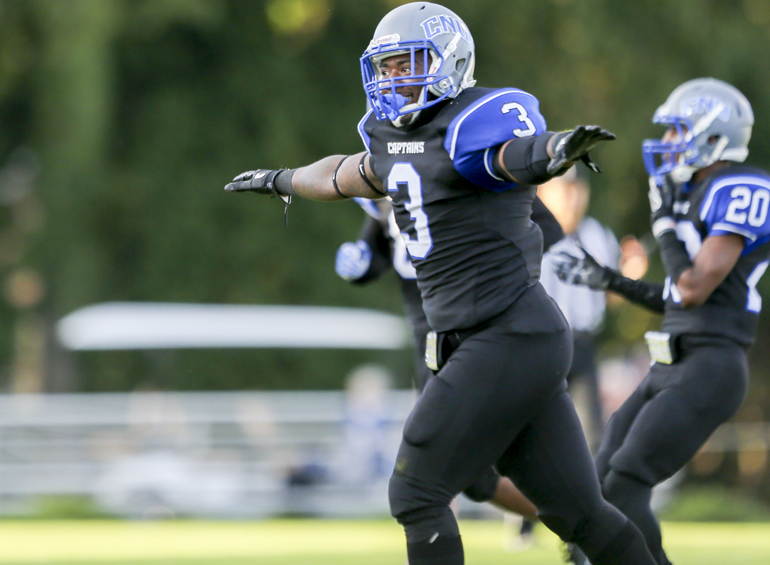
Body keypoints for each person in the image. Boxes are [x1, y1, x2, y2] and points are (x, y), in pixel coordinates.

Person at [223, 4, 655, 565]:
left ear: (449, 62)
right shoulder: (395, 138)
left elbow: (511, 157)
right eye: (388, 66)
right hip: (502, 340)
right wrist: (281, 179)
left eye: (408, 63)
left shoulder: (475, 122)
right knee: (579, 515)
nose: (394, 78)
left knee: (414, 492)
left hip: (505, 334)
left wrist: (553, 151)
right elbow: (341, 174)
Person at [554, 78, 770, 565]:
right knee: (597, 481)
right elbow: (676, 300)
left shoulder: (743, 189)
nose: (671, 142)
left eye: (680, 130)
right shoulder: (694, 193)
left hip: (711, 364)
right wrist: (608, 280)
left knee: (627, 482)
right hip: (673, 361)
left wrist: (663, 224)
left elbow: (693, 287)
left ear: (714, 136)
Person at [335, 193, 563, 533]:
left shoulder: (464, 163)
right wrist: (362, 264)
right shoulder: (390, 174)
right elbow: (384, 248)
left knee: (446, 466)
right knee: (466, 476)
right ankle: (578, 525)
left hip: (480, 332)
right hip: (429, 345)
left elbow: (549, 230)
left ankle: (583, 522)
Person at [538, 166, 622, 450]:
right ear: (543, 191)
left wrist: (629, 277)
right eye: (564, 189)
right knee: (536, 438)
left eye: (578, 189)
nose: (572, 198)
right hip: (540, 345)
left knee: (589, 439)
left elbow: (610, 296)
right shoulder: (529, 232)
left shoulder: (598, 234)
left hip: (582, 346)